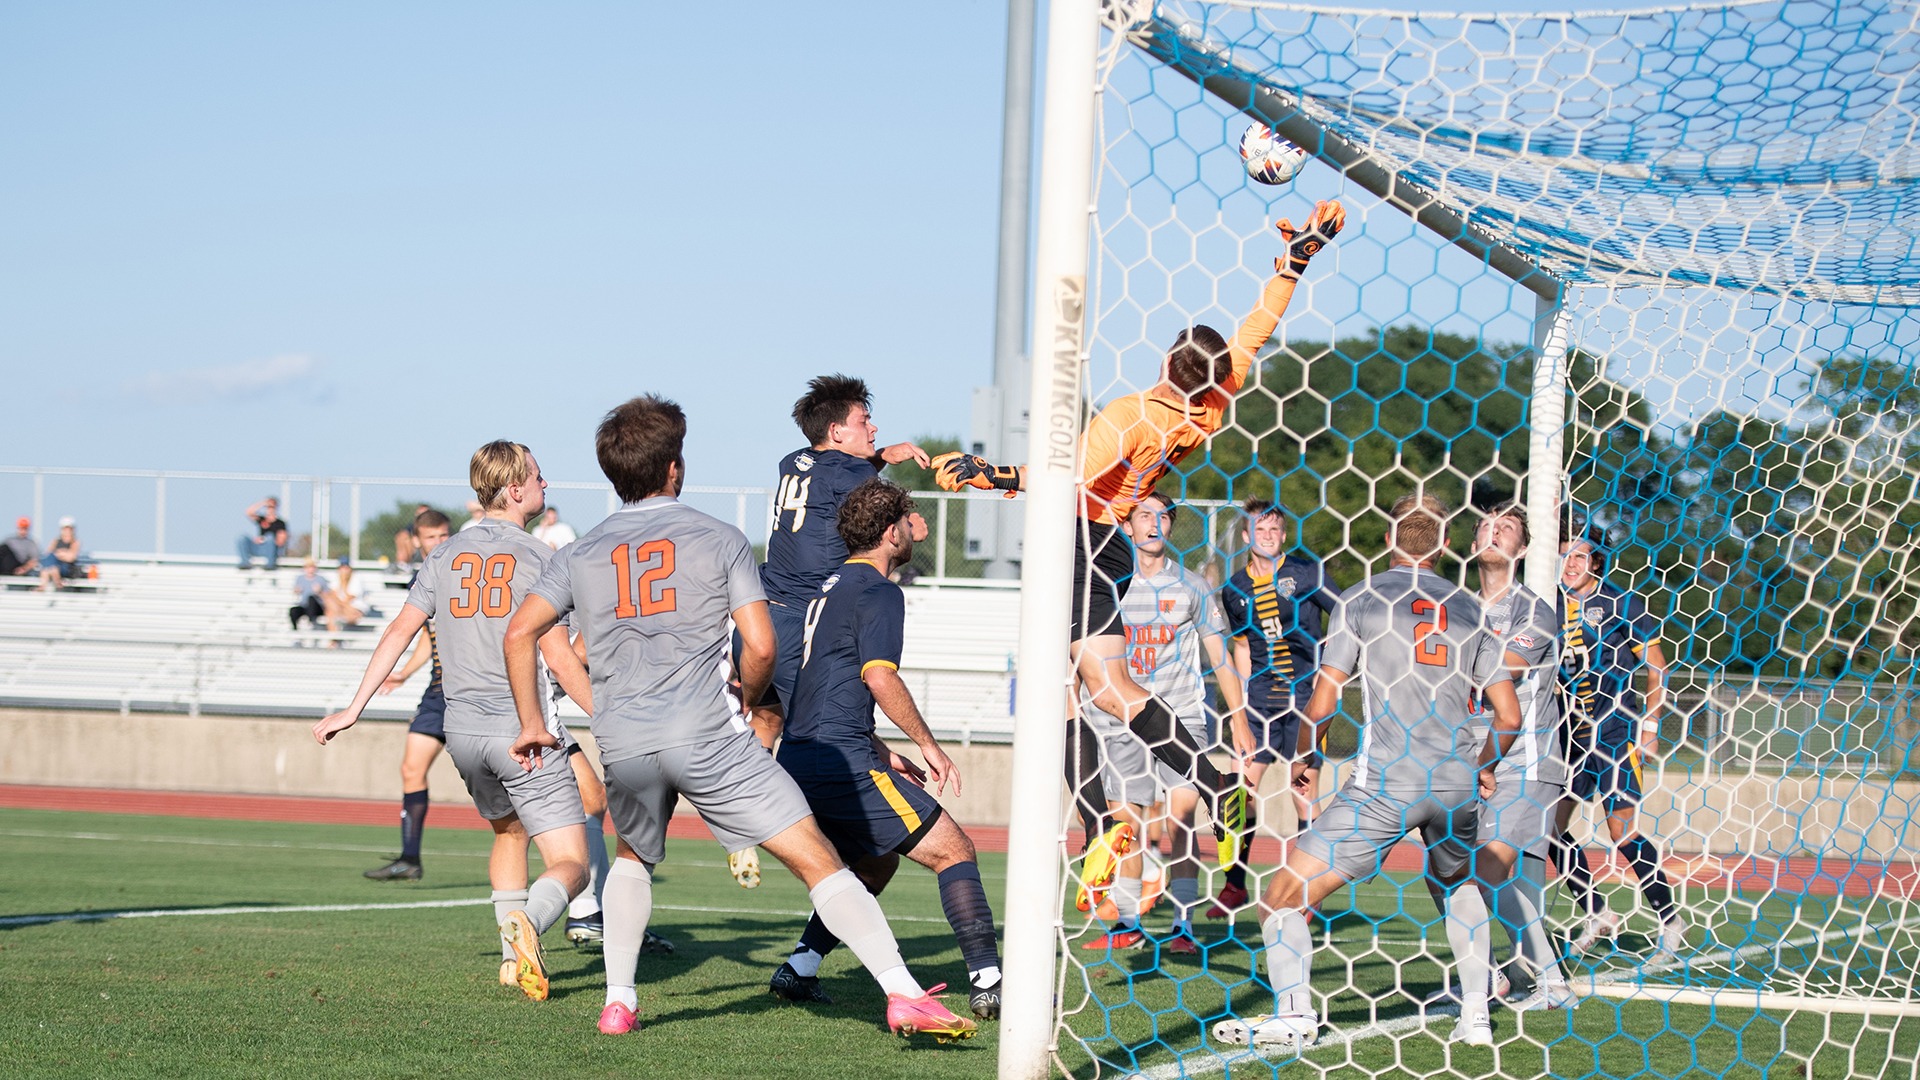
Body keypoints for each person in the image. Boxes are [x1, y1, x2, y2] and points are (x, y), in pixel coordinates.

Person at [505, 395, 973, 1041]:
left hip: (626, 738)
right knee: (820, 862)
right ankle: (902, 993)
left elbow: (522, 634)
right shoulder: (718, 536)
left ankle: (618, 1002)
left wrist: (541, 718)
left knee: (634, 857)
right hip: (706, 734)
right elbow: (759, 645)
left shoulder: (579, 552)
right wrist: (752, 700)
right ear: (674, 467)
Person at [933, 200, 1349, 876]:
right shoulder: (1211, 407)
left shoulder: (1131, 417)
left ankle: (1108, 821)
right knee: (1097, 684)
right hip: (1114, 546)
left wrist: (989, 474)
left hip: (1077, 539)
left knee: (1079, 688)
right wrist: (1294, 265)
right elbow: (1256, 331)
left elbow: (1068, 477)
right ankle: (1194, 791)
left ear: (1166, 361)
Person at [1213, 493, 1523, 1051]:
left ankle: (1294, 1015)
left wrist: (1308, 759)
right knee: (1455, 883)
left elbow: (1323, 702)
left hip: (1386, 784)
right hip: (1454, 781)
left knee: (1283, 896)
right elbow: (1509, 715)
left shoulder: (1361, 599)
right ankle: (1477, 1013)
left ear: (1386, 540)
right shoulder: (1471, 608)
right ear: (1446, 545)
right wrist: (1484, 765)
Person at [315, 441, 595, 1003]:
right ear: (515, 489)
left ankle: (510, 962)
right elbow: (560, 656)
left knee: (508, 831)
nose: (548, 486)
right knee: (573, 863)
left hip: (461, 733)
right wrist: (611, 719)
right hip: (522, 731)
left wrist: (354, 707)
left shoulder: (443, 557)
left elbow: (400, 630)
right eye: (540, 477)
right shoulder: (542, 557)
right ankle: (530, 926)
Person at [766, 479, 1005, 1019]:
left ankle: (800, 967)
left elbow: (819, 688)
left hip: (804, 754)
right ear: (891, 532)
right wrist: (930, 746)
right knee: (955, 850)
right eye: (909, 518)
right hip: (839, 761)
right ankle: (988, 980)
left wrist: (884, 750)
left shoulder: (826, 591)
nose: (914, 527)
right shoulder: (878, 590)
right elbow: (878, 676)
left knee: (874, 865)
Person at [1078, 489, 1250, 955]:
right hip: (1121, 721)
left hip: (1181, 716)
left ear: (1172, 526)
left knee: (1181, 821)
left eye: (1164, 517)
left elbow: (1220, 656)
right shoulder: (1105, 583)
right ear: (1127, 524)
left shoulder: (1192, 586)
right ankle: (1127, 923)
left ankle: (1182, 926)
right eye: (1144, 515)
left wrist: (1239, 719)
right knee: (1126, 822)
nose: (1154, 524)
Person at [1426, 503, 1575, 1009]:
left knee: (1485, 869)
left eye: (1506, 528)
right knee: (1442, 872)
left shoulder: (1536, 611)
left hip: (1523, 764)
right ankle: (1488, 976)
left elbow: (1498, 670)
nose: (1494, 534)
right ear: (1471, 546)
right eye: (1486, 528)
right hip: (1469, 765)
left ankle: (1553, 983)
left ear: (1523, 548)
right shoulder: (1457, 608)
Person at [1551, 526, 1686, 956]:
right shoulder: (1548, 606)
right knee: (1547, 828)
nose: (1569, 564)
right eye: (1563, 556)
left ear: (1595, 562)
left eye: (1578, 556)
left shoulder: (1623, 603)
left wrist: (1649, 727)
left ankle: (1669, 919)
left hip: (1616, 729)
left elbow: (1657, 669)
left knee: (1620, 833)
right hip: (1571, 730)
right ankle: (1596, 910)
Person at [1209, 498, 1341, 917]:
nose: (1266, 537)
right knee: (1240, 791)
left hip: (1307, 695)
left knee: (1303, 792)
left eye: (1273, 530)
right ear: (1247, 536)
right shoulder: (1234, 588)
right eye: (1259, 530)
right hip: (1263, 697)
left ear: (1283, 535)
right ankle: (1233, 885)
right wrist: (1243, 707)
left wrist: (1332, 677)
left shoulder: (1306, 573)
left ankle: (1310, 889)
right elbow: (1243, 645)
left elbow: (1345, 614)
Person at [360, 511, 453, 879]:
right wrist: (404, 673)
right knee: (411, 769)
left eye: (445, 535)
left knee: (496, 782)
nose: (439, 543)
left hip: (472, 690)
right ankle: (410, 859)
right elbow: (427, 637)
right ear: (417, 541)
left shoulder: (461, 570)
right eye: (431, 538)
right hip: (436, 691)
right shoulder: (422, 577)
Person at [321, 560, 377, 637]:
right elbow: (332, 595)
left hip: (354, 609)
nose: (344, 571)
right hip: (342, 608)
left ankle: (335, 636)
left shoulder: (356, 579)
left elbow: (349, 598)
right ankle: (334, 638)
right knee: (329, 610)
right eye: (342, 568)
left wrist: (343, 584)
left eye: (346, 568)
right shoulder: (337, 579)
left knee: (332, 611)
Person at [237, 497, 289, 570]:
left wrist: (264, 539)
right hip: (259, 548)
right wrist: (263, 503)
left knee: (270, 537)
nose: (269, 509)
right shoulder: (262, 519)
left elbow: (281, 542)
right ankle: (245, 563)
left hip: (271, 550)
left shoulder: (280, 523)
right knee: (242, 538)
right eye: (268, 507)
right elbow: (248, 512)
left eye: (272, 507)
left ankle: (270, 565)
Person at [39, 517, 83, 591]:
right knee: (48, 568)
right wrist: (63, 553)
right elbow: (48, 553)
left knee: (52, 567)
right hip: (52, 566)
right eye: (65, 528)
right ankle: (45, 586)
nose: (67, 531)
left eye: (69, 528)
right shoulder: (56, 541)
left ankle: (56, 583)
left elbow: (71, 557)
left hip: (66, 568)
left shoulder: (75, 542)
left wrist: (58, 554)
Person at [289, 558, 331, 630]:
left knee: (311, 598)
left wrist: (320, 592)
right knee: (293, 611)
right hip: (305, 606)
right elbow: (295, 591)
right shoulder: (300, 579)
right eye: (308, 567)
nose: (310, 569)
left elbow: (328, 595)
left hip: (318, 607)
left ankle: (311, 622)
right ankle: (295, 629)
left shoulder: (321, 579)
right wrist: (297, 590)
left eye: (312, 567)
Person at [392, 504, 434, 571]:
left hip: (431, 552)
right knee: (402, 536)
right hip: (415, 552)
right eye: (419, 515)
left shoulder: (437, 527)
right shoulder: (412, 527)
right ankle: (402, 565)